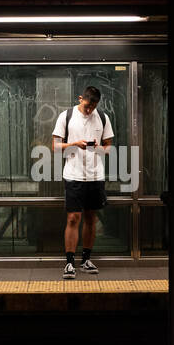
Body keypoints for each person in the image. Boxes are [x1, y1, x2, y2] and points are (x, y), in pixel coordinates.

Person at [52, 86, 114, 279]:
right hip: (73, 175)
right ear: (80, 99)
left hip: (96, 176)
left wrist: (98, 148)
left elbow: (109, 147)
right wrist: (73, 144)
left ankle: (86, 259)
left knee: (90, 218)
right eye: (87, 106)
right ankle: (69, 263)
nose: (89, 111)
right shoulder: (66, 116)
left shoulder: (102, 117)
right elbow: (54, 147)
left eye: (93, 107)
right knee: (73, 218)